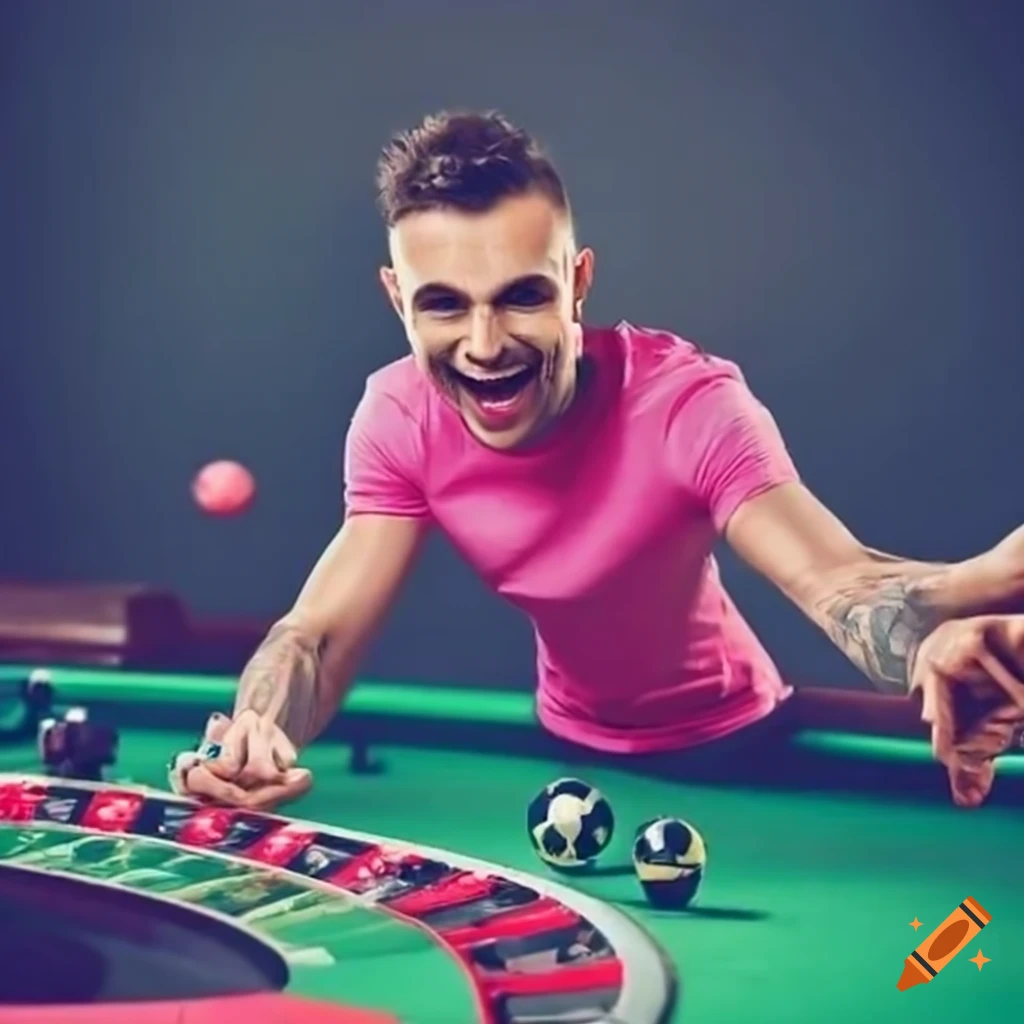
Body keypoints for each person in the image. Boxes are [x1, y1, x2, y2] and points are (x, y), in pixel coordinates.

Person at [169, 110, 1024, 813]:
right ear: (398, 300)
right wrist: (253, 731)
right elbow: (317, 634)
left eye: (523, 296)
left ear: (577, 282)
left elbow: (842, 585)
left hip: (736, 745)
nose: (484, 345)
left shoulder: (689, 402)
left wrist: (938, 634)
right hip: (564, 748)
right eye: (442, 306)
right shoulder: (397, 414)